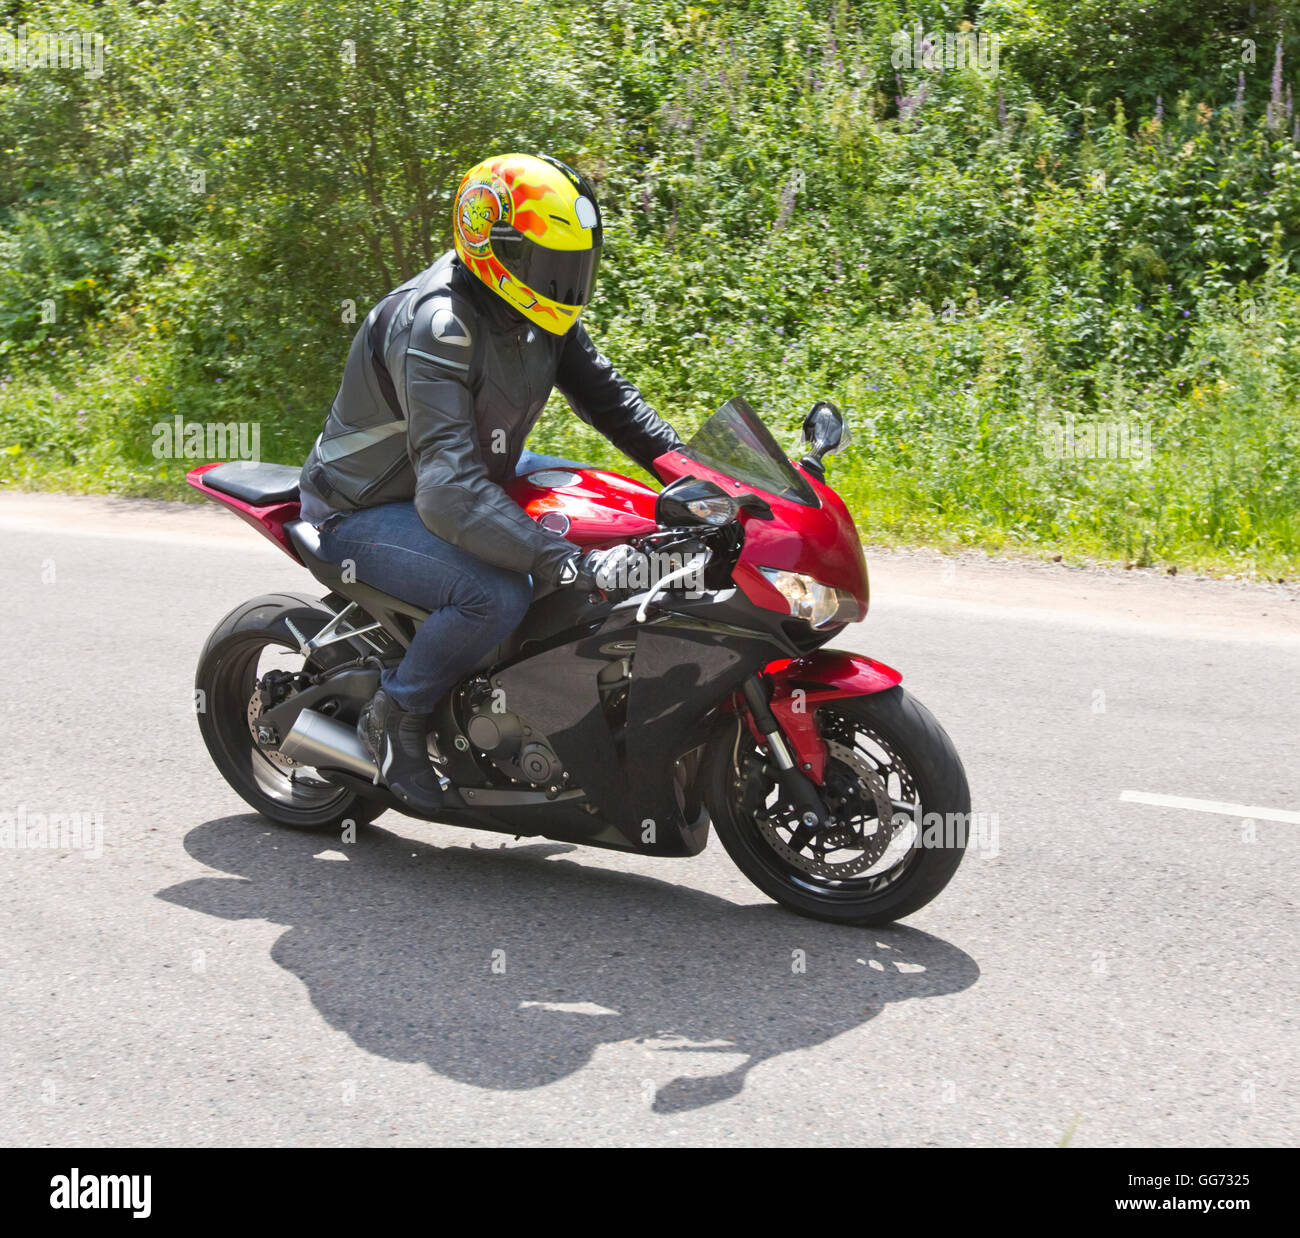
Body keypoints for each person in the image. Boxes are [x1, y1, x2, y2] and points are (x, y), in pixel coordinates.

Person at [297, 152, 682, 812]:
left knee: (620, 508)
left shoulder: (537, 313)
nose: (564, 286)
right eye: (548, 267)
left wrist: (694, 478)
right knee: (494, 595)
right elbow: (445, 492)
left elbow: (614, 403)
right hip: (368, 506)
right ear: (493, 247)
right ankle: (397, 714)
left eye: (573, 268)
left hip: (472, 478)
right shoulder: (437, 325)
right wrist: (564, 563)